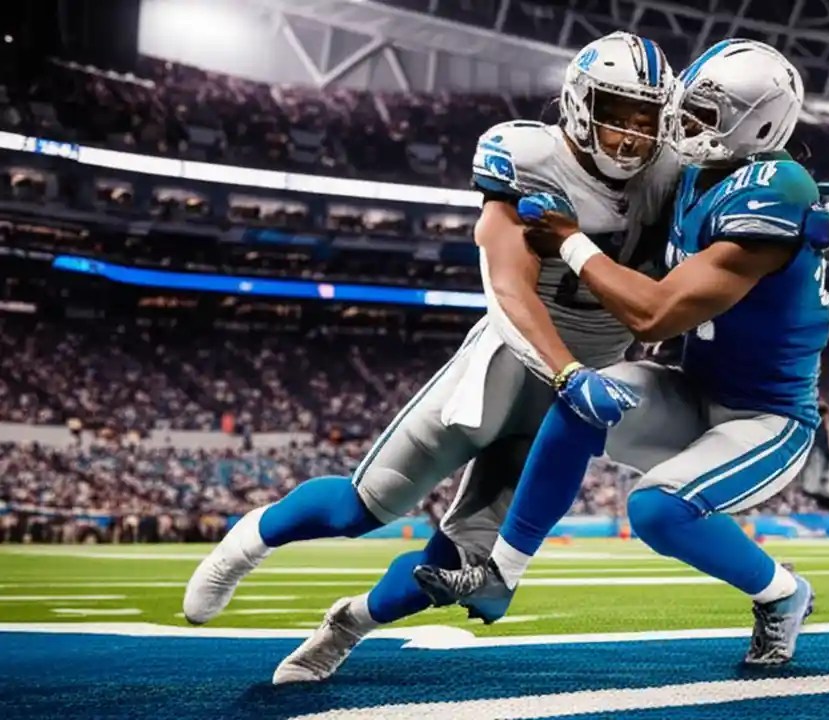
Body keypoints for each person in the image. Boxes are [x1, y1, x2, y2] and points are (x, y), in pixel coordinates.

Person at [181, 31, 682, 684]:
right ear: (581, 104)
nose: (631, 135)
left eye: (646, 118)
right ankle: (246, 545)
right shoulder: (527, 155)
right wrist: (568, 371)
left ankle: (346, 626)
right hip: (508, 367)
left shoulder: (674, 175)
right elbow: (506, 285)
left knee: (462, 563)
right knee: (364, 507)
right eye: (617, 112)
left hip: (580, 395)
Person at [413, 38, 829, 666]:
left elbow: (655, 312)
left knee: (657, 511)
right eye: (686, 107)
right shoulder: (695, 174)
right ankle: (499, 575)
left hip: (766, 417)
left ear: (759, 127)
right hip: (693, 390)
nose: (684, 125)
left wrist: (568, 240)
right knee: (587, 395)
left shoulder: (777, 187)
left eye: (706, 116)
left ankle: (783, 594)